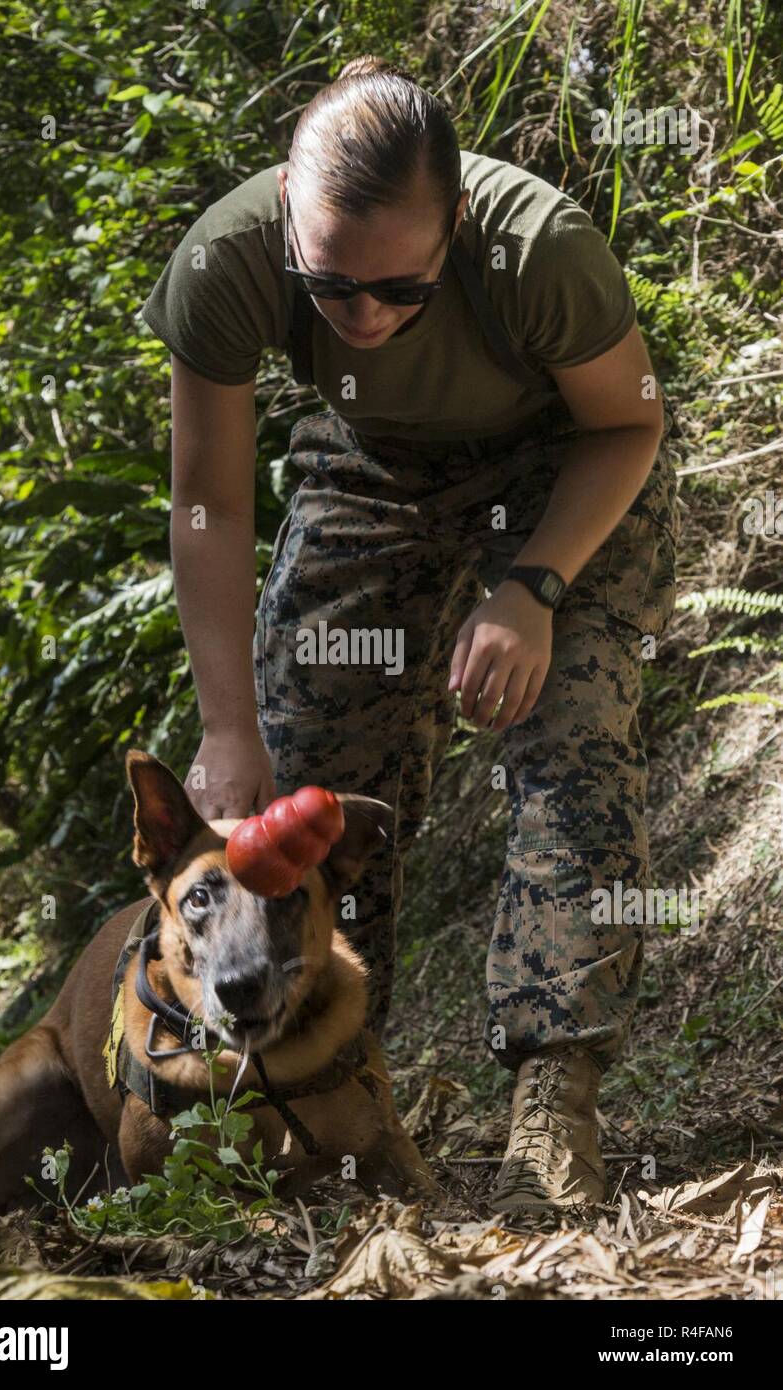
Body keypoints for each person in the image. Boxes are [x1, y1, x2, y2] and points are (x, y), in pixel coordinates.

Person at [140, 55, 680, 1210]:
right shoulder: (223, 263)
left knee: (569, 742)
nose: (366, 316)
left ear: (460, 227)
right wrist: (228, 729)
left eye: (403, 290)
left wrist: (530, 587)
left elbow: (628, 428)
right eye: (333, 289)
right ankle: (332, 1090)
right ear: (287, 205)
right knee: (300, 794)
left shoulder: (538, 248)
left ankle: (553, 1098)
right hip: (370, 467)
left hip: (556, 465)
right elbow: (210, 504)